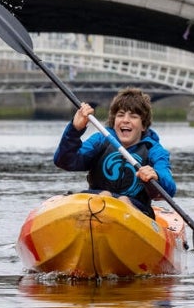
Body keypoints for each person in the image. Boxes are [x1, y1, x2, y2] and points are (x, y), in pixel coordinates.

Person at [53, 87, 175, 217]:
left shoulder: (155, 150)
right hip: (95, 202)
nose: (125, 120)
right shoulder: (100, 140)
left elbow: (170, 189)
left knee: (123, 200)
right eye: (120, 115)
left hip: (135, 210)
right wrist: (74, 130)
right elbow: (64, 161)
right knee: (105, 195)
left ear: (143, 125)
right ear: (114, 121)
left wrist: (156, 176)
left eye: (133, 116)